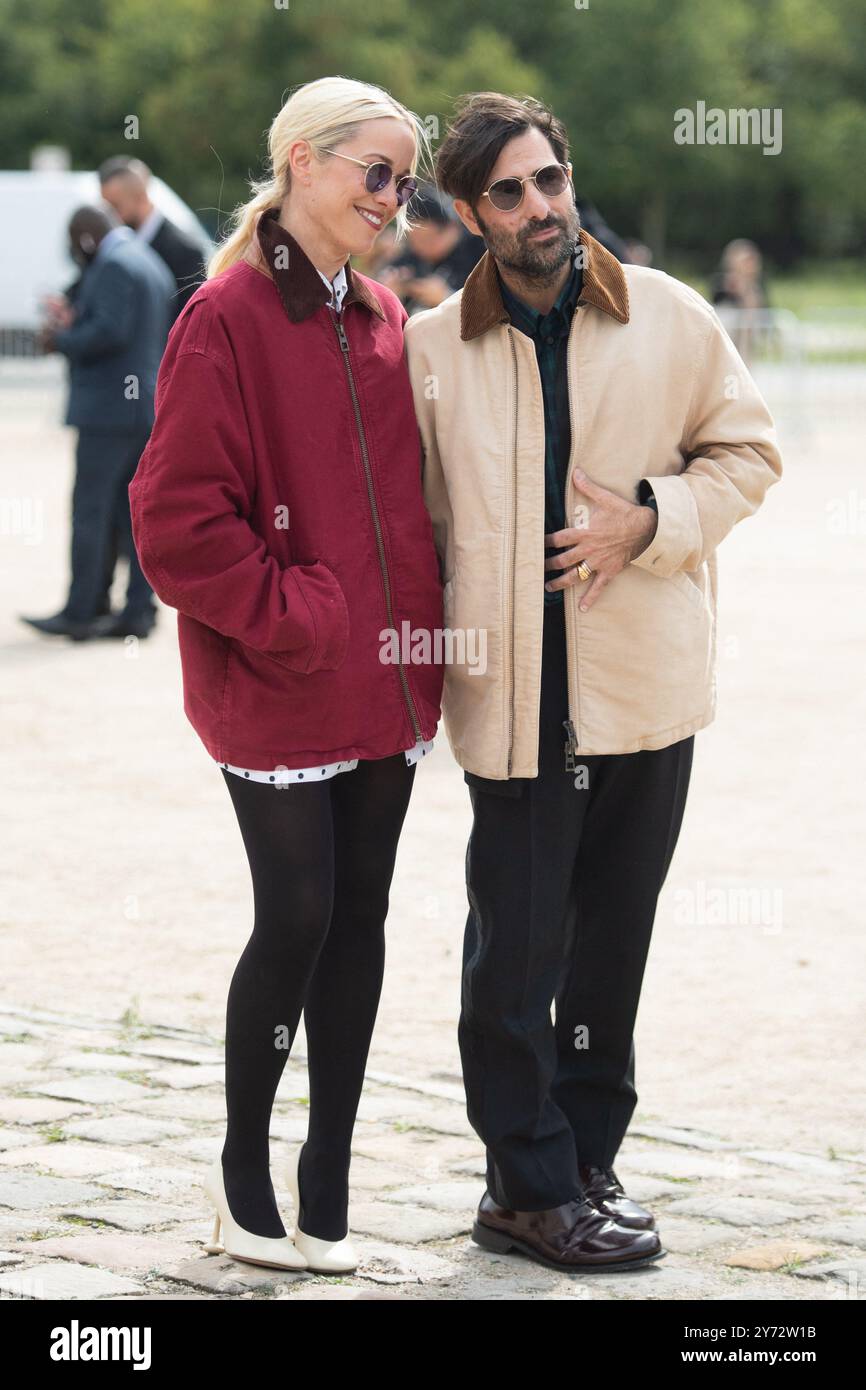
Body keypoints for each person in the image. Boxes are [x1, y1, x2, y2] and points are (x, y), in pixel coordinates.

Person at [404, 92, 782, 1273]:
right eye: (509, 192)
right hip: (513, 703)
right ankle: (523, 1185)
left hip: (643, 693)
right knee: (513, 956)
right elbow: (407, 527)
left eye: (551, 180)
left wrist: (652, 521)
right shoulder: (426, 351)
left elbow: (748, 452)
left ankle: (581, 1160)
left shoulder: (668, 315)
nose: (539, 208)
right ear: (471, 211)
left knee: (610, 948)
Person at [128, 76, 444, 1274]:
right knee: (298, 911)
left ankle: (329, 1178)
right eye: (376, 169)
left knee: (357, 918)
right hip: (276, 676)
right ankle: (242, 1175)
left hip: (386, 681)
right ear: (301, 162)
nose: (393, 196)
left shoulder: (379, 315)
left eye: (405, 179)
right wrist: (297, 612)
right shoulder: (224, 316)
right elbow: (173, 525)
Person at [21, 204, 174, 641]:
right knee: (130, 518)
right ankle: (137, 611)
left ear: (86, 238)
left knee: (90, 512)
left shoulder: (113, 265)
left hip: (108, 411)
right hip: (138, 408)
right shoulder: (147, 261)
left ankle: (81, 611)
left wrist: (60, 339)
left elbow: (109, 331)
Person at [98, 156, 207, 321]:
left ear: (140, 196)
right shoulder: (114, 245)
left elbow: (190, 324)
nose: (109, 215)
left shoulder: (184, 251)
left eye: (115, 206)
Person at [377, 185, 484, 313]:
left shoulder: (480, 253)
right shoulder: (411, 259)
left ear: (451, 228)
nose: (419, 247)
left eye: (426, 240)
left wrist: (446, 297)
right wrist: (388, 295)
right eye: (413, 241)